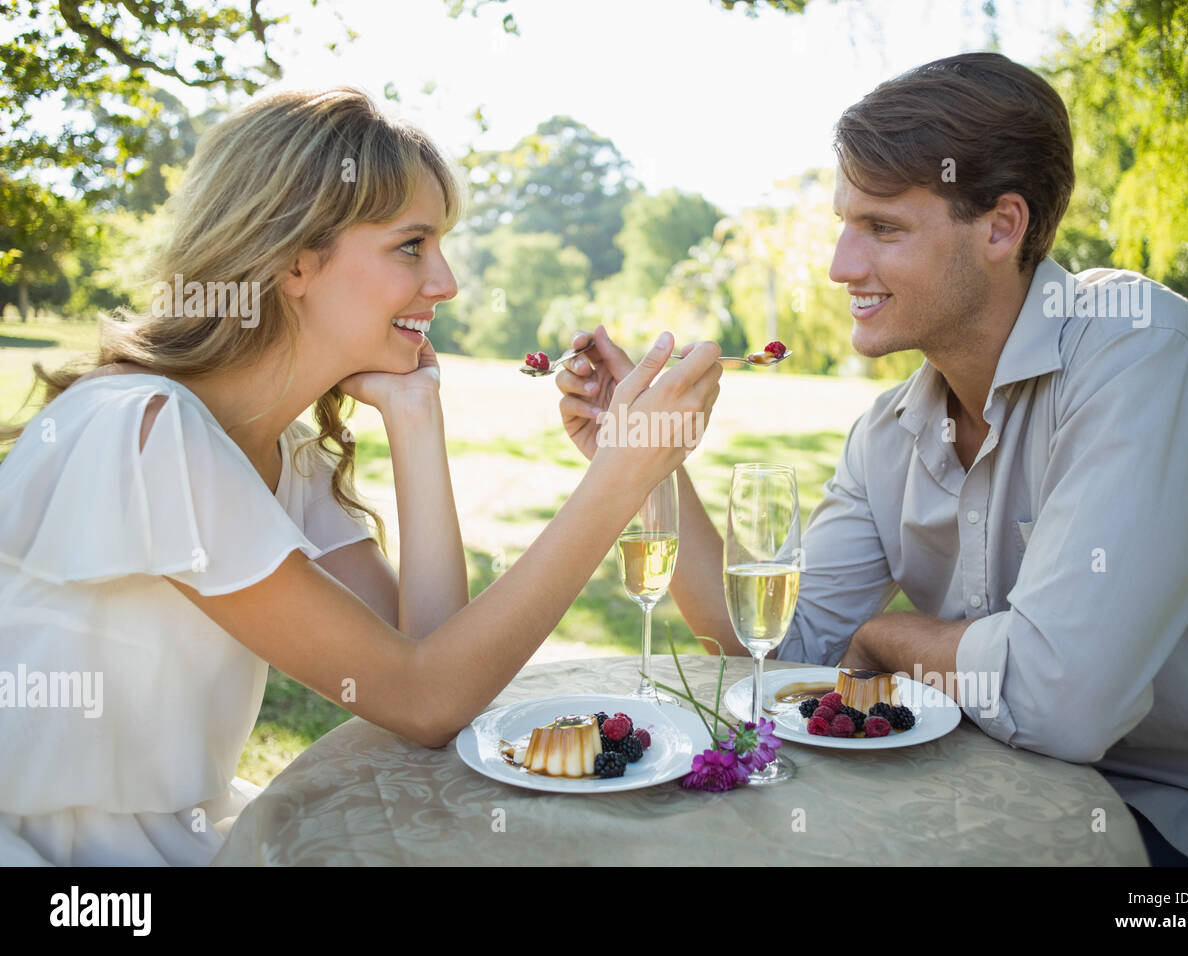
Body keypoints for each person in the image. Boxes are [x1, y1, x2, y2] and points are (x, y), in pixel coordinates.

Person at [556, 53, 1188, 867]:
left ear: (1001, 227)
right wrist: (647, 461)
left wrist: (890, 634)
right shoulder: (889, 434)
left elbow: (1060, 703)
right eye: (845, 224)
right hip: (1007, 808)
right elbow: (777, 648)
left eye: (883, 228)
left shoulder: (1146, 358)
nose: (842, 266)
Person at [0, 87, 722, 866]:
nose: (444, 282)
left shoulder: (284, 454)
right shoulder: (144, 432)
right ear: (295, 260)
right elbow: (421, 699)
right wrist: (618, 481)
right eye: (412, 245)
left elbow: (435, 671)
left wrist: (416, 417)